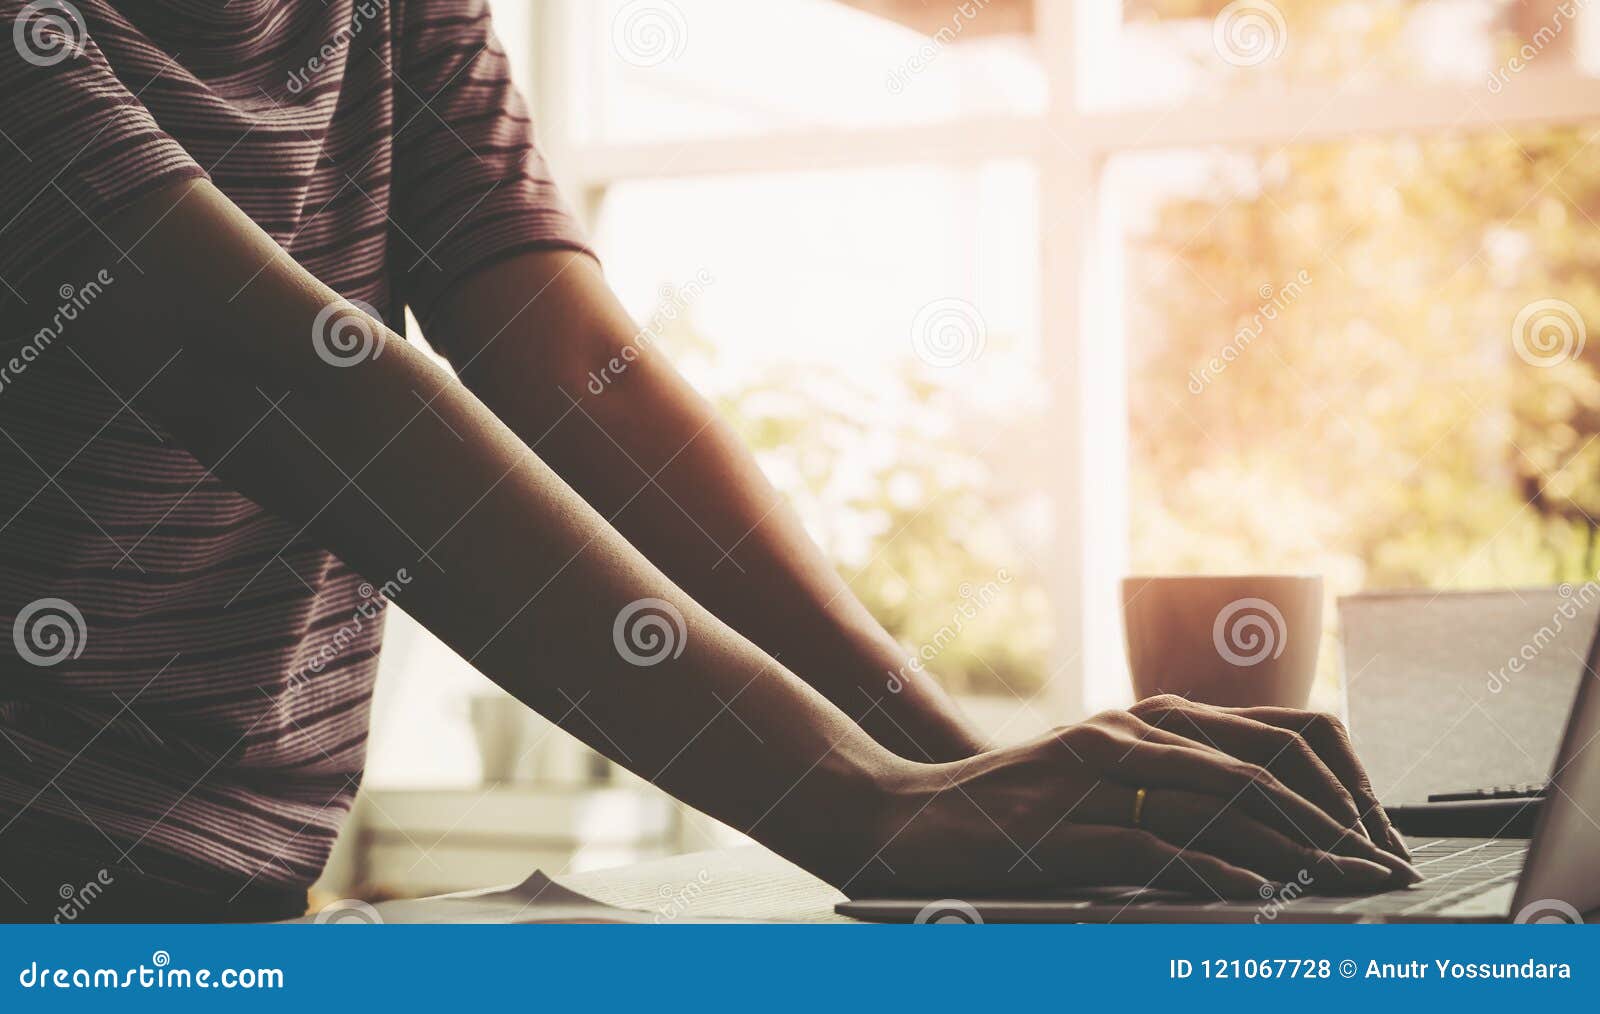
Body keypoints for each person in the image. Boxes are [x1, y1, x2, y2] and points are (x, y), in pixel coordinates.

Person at [0, 0, 1417, 923]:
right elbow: (297, 383)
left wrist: (961, 764)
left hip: (239, 898)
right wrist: (861, 804)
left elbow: (565, 367)